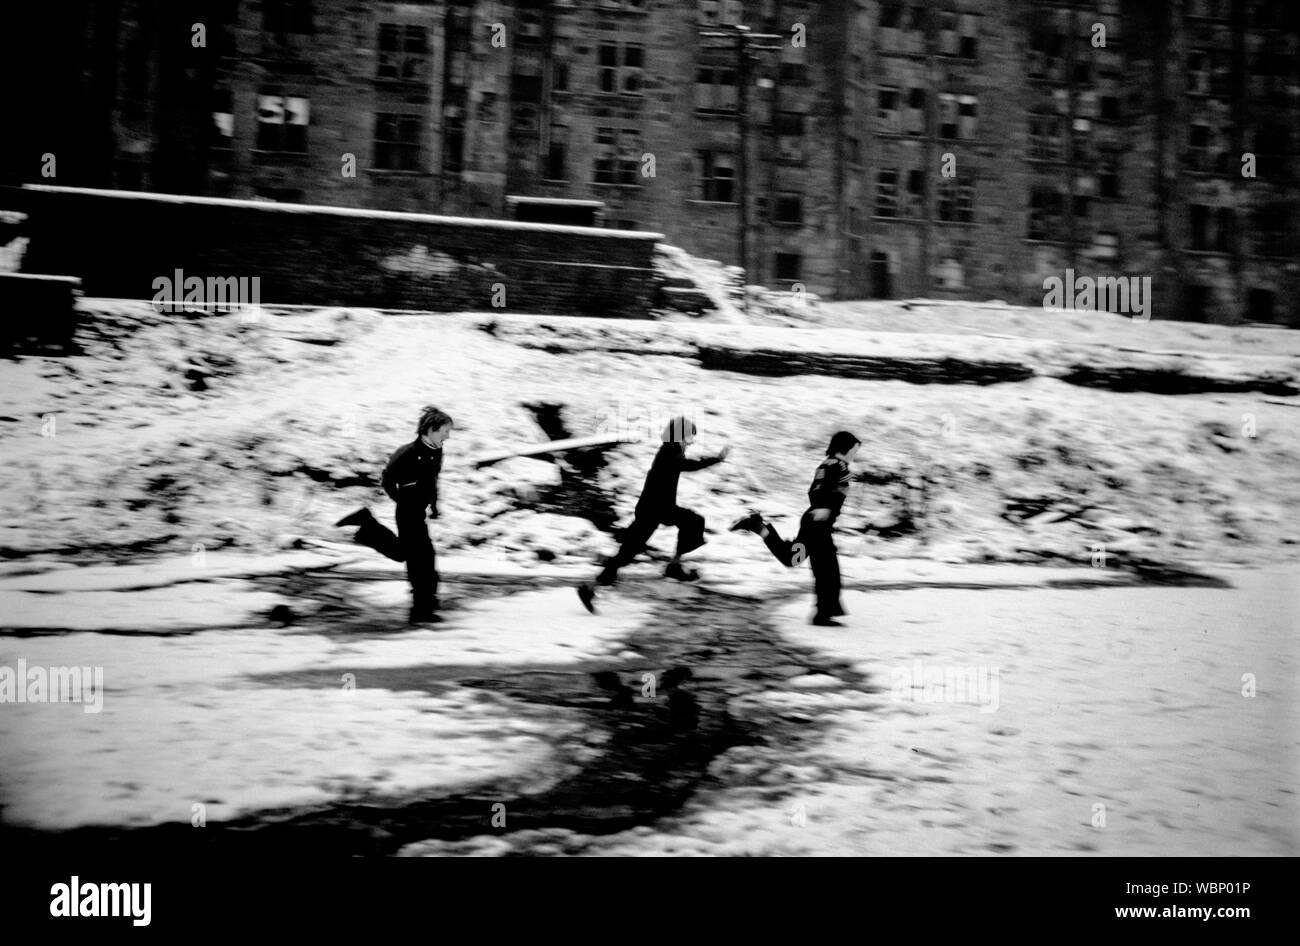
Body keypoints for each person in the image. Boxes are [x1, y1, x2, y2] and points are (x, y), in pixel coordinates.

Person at [578, 416, 728, 613]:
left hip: (659, 508)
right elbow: (688, 465)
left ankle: (674, 566)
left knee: (692, 521)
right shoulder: (670, 450)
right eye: (689, 438)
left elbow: (682, 465)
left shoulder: (670, 450)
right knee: (628, 552)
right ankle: (590, 588)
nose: (690, 443)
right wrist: (716, 459)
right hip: (653, 510)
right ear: (679, 435)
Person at [336, 405, 452, 625]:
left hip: (419, 511)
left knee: (415, 556)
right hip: (407, 512)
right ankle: (422, 609)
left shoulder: (437, 451)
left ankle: (366, 525)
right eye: (445, 431)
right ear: (431, 430)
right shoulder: (407, 452)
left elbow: (432, 480)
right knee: (420, 559)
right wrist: (404, 500)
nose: (448, 436)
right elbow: (387, 480)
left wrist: (435, 505)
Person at [730, 430, 860, 626]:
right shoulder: (837, 465)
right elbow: (818, 489)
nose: (855, 455)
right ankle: (822, 614)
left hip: (814, 523)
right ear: (846, 448)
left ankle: (759, 527)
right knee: (827, 569)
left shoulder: (832, 465)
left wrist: (822, 508)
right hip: (817, 525)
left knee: (795, 559)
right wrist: (823, 508)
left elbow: (819, 490)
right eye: (854, 450)